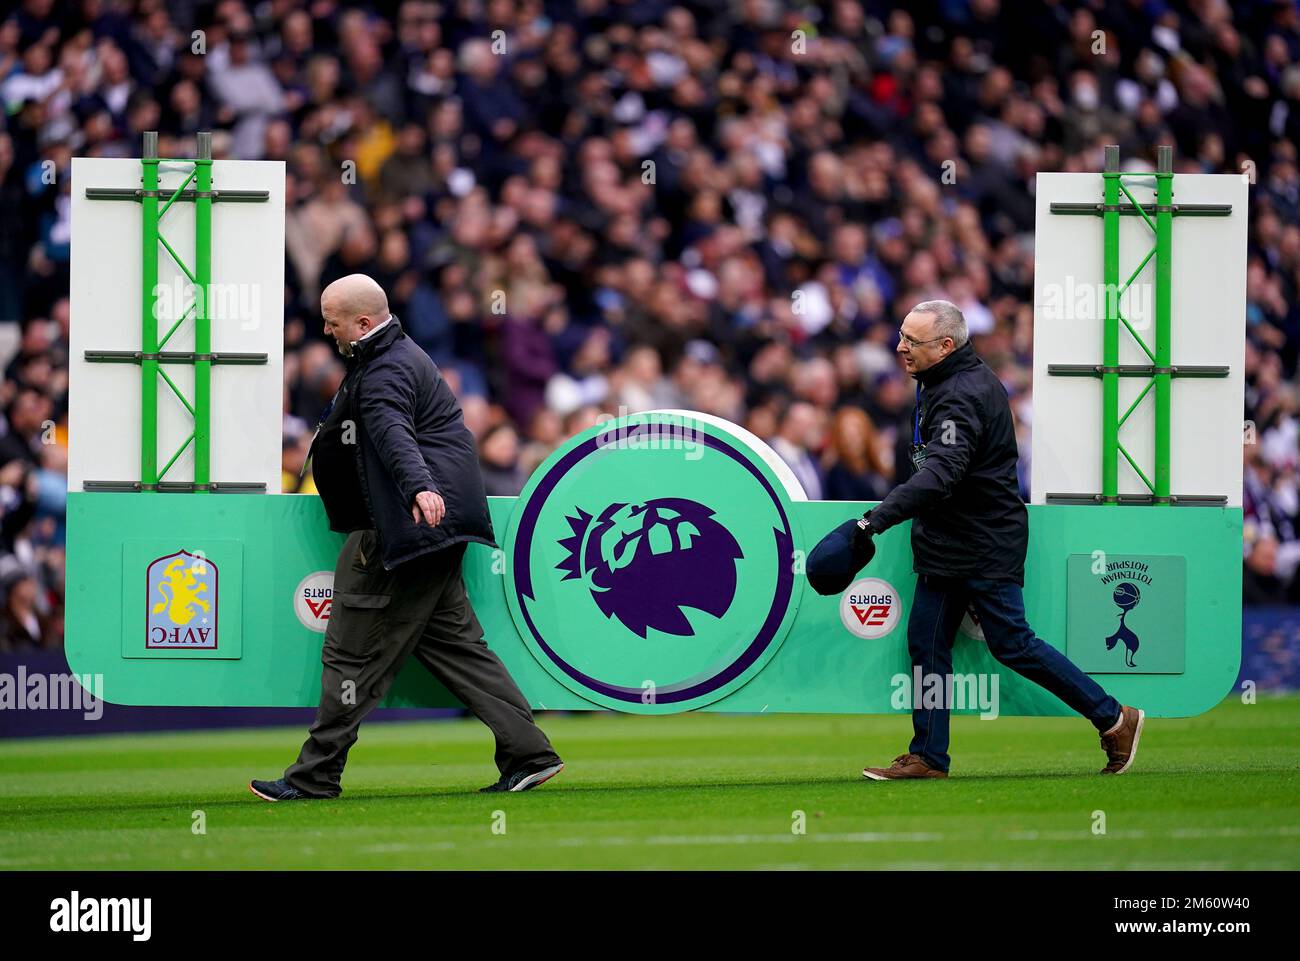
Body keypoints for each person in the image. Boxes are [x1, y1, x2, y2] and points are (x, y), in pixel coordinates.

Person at [250, 273, 563, 800]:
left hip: (400, 532)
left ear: (364, 322)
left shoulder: (383, 371)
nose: (326, 331)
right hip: (430, 533)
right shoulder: (400, 356)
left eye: (334, 322)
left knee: (350, 657)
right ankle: (529, 753)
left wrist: (418, 487)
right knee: (460, 650)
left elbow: (392, 432)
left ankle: (315, 776)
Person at [855, 300, 1144, 779]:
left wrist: (873, 521)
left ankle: (1114, 717)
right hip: (951, 542)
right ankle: (928, 756)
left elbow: (942, 472)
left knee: (1013, 644)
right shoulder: (947, 382)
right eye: (902, 334)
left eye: (912, 340)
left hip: (982, 542)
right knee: (926, 646)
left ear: (946, 346)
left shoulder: (958, 394)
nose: (900, 347)